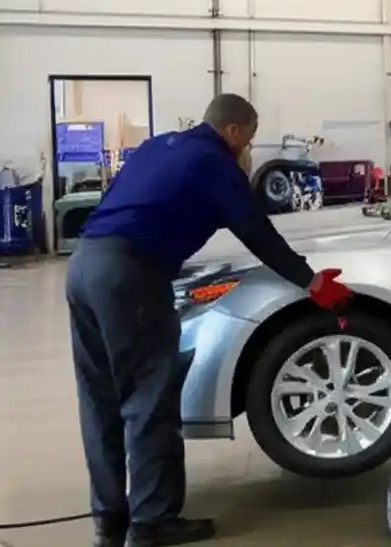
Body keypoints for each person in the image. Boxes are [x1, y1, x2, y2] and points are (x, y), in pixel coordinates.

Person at [67, 94, 353, 547]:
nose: (248, 150)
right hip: (130, 277)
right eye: (250, 140)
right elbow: (255, 230)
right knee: (149, 398)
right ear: (235, 132)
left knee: (99, 399)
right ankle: (153, 521)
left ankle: (109, 517)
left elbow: (140, 205)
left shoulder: (159, 146)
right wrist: (311, 281)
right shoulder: (214, 163)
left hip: (84, 266)